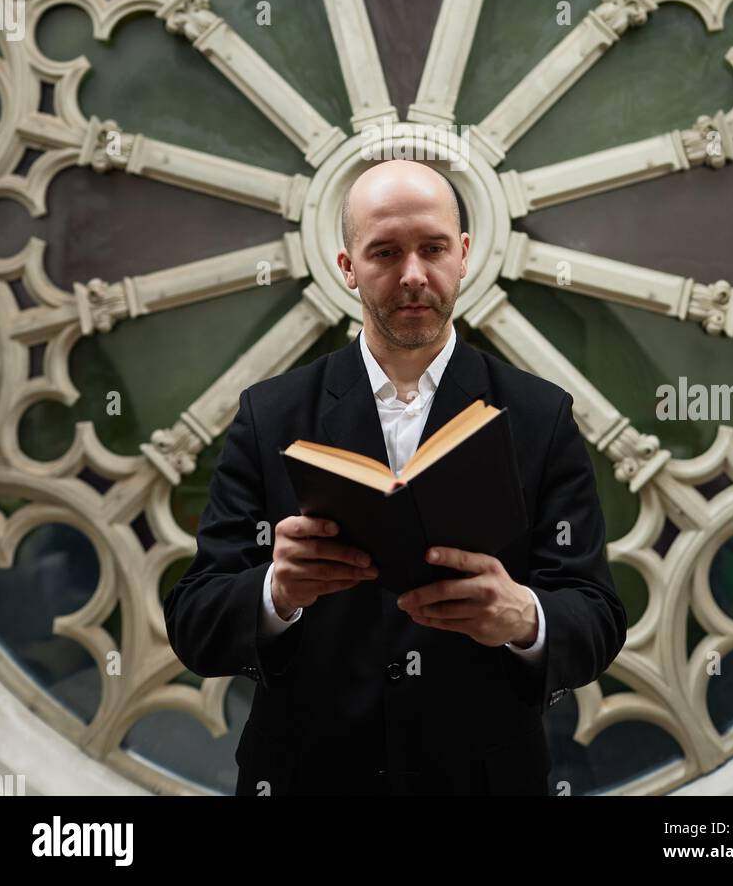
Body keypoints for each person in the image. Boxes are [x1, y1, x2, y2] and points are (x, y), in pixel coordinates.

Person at [164, 158, 626, 795]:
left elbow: (597, 616)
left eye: (433, 248)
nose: (413, 276)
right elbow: (194, 623)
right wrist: (277, 592)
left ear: (463, 254)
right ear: (347, 267)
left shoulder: (541, 416)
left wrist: (526, 617)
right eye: (384, 252)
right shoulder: (267, 414)